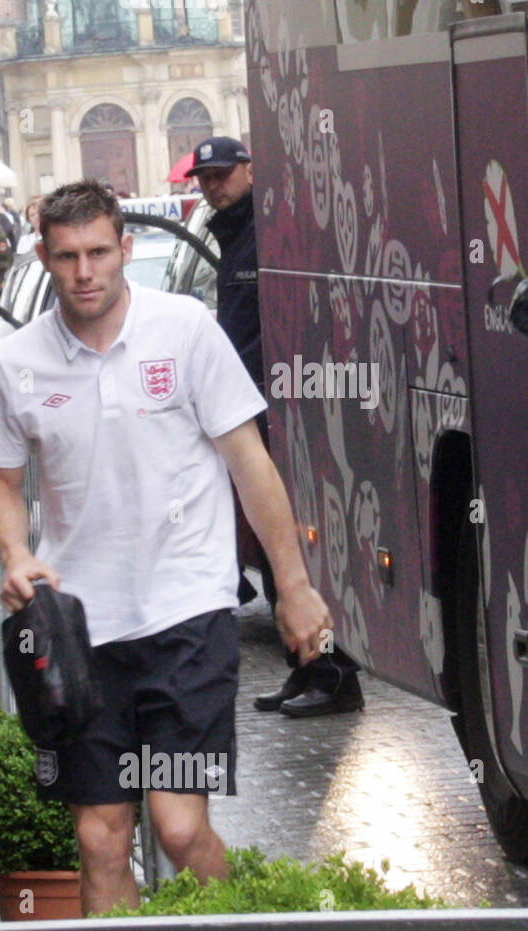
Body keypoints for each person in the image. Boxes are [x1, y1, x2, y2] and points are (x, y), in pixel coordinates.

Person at [0, 179, 334, 915]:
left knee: (176, 826)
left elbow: (251, 465)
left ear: (125, 250)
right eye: (68, 255)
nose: (86, 271)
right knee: (101, 838)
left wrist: (293, 588)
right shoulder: (15, 364)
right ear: (44, 256)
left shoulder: (186, 329)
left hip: (185, 618)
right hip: (77, 634)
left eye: (100, 252)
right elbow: (1, 486)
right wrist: (15, 555)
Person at [186, 135, 365, 718]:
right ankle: (305, 665)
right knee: (273, 541)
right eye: (205, 178)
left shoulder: (268, 229)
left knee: (304, 545)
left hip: (284, 413)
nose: (213, 185)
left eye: (222, 174)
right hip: (256, 413)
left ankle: (334, 673)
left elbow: (281, 331)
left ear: (249, 169)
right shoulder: (236, 234)